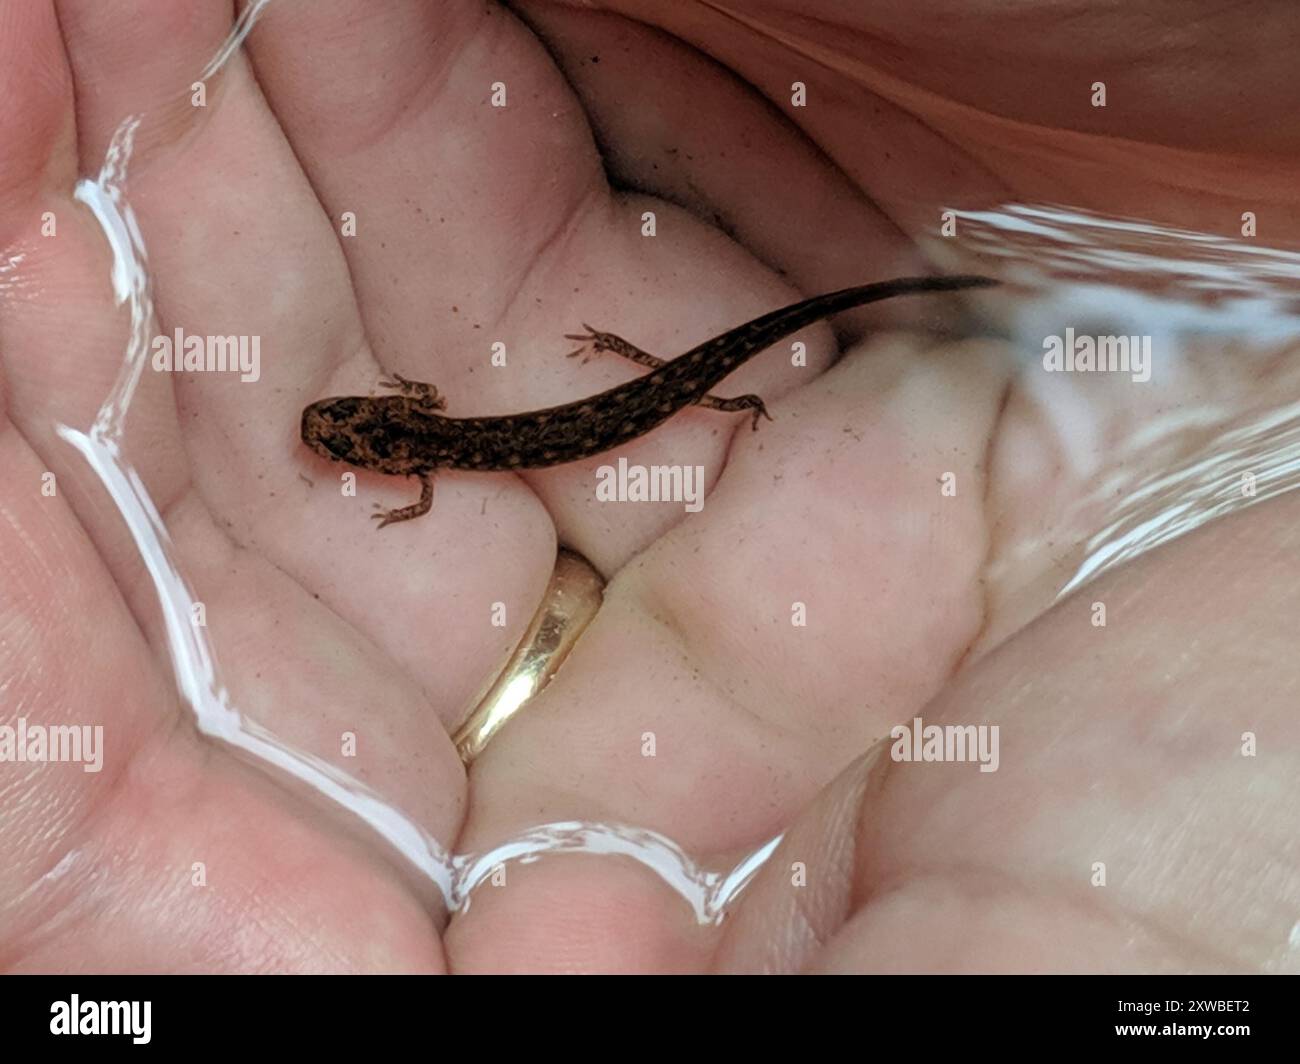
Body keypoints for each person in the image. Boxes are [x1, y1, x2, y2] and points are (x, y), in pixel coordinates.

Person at [0, 0, 1296, 974]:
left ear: (388, 439)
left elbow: (429, 466)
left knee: (706, 379)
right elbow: (435, 443)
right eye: (358, 446)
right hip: (629, 388)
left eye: (354, 442)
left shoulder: (427, 459)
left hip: (655, 383)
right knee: (687, 383)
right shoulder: (434, 441)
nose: (352, 450)